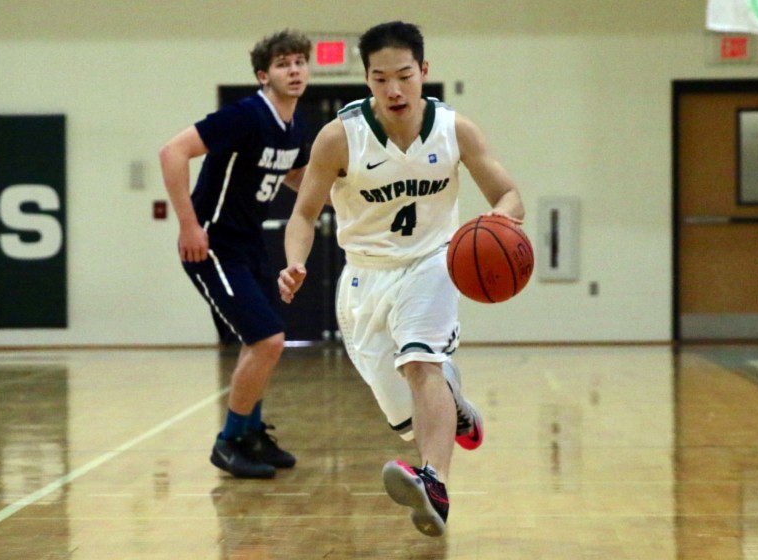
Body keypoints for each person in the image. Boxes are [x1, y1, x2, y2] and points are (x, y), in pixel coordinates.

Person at [278, 21, 525, 536]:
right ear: (365, 78)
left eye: (405, 75)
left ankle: (435, 483)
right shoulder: (338, 138)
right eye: (380, 77)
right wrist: (294, 261)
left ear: (424, 72)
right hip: (365, 276)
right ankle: (454, 408)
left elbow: (509, 195)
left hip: (434, 263)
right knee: (407, 418)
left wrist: (499, 223)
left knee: (419, 363)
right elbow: (303, 215)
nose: (394, 89)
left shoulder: (455, 129)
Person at [159, 29, 312, 479]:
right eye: (284, 64)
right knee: (268, 340)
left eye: (300, 61)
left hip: (249, 245)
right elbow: (172, 152)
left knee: (262, 344)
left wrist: (346, 196)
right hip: (213, 244)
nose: (295, 69)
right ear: (264, 75)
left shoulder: (294, 126)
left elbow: (298, 177)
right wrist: (188, 224)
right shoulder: (245, 116)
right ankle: (228, 441)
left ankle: (249, 433)